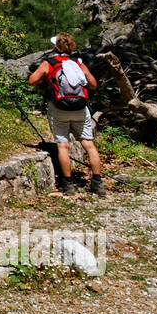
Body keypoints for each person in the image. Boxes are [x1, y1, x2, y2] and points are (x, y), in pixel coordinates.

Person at [27, 32, 104, 196]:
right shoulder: (78, 63)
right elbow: (93, 84)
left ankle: (68, 185)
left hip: (59, 109)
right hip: (80, 109)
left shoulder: (49, 63)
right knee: (89, 145)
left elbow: (32, 81)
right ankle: (97, 183)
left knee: (63, 146)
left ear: (56, 47)